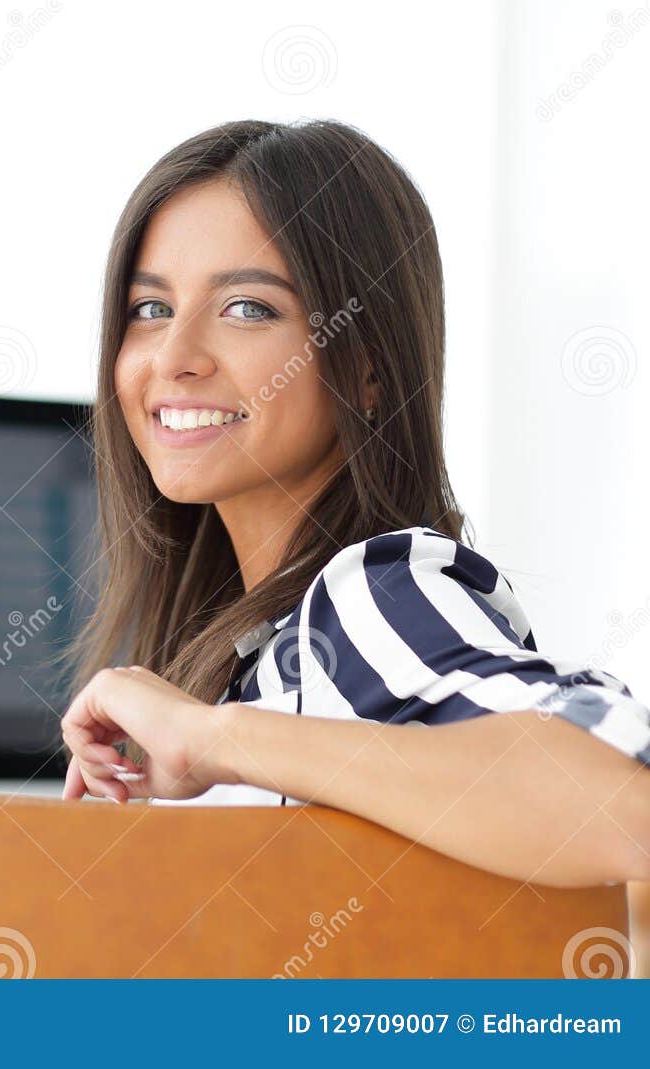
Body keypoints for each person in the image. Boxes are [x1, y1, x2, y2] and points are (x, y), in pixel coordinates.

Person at [58, 120, 650, 890]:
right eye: (150, 308)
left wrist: (213, 737)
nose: (174, 358)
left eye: (247, 309)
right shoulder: (256, 654)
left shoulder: (367, 595)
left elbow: (628, 805)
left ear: (368, 369)